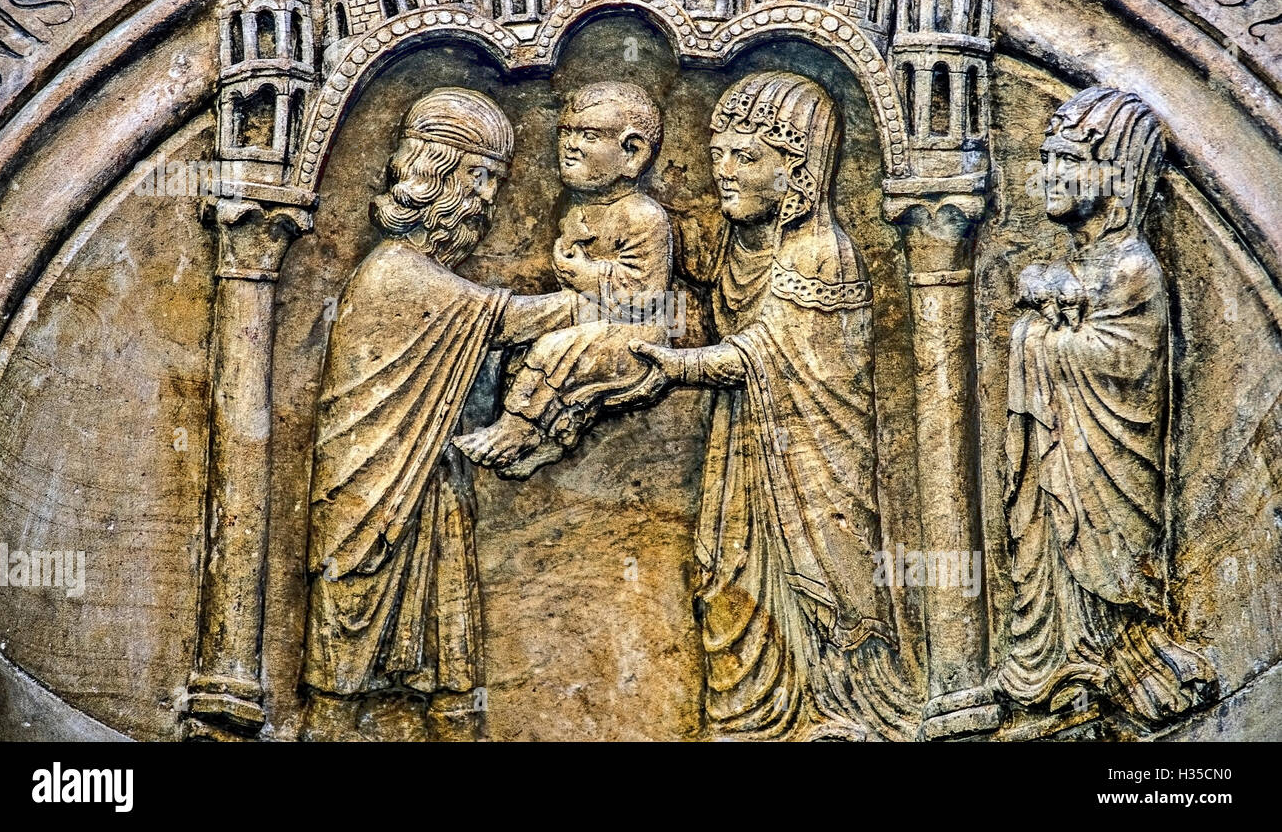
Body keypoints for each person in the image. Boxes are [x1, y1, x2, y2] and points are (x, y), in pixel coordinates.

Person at [627, 72, 918, 740]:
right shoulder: (745, 244)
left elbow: (758, 350)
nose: (723, 170)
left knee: (798, 591)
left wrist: (678, 366)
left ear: (799, 174)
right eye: (719, 152)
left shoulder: (821, 252)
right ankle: (749, 726)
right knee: (726, 582)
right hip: (743, 449)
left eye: (747, 158)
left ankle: (833, 714)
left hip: (809, 469)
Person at [301, 88, 581, 741]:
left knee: (452, 665)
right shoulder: (398, 272)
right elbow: (508, 318)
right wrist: (608, 301)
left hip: (433, 489)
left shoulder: (426, 277)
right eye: (479, 179)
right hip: (372, 504)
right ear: (435, 175)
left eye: (494, 183)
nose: (487, 199)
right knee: (346, 666)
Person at [995, 87, 1216, 724]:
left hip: (1105, 470)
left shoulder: (1131, 268)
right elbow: (1063, 305)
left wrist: (1036, 332)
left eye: (1067, 160)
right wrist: (1040, 293)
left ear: (1114, 176)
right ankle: (1051, 666)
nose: (1048, 175)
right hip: (1058, 457)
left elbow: (1120, 364)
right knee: (1045, 557)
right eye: (1044, 158)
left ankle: (1105, 658)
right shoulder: (1086, 261)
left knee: (1094, 571)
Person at [455, 81, 673, 478]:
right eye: (565, 132)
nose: (570, 145)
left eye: (588, 135)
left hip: (640, 336)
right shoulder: (579, 210)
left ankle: (513, 429)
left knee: (554, 349)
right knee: (526, 348)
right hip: (597, 321)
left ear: (632, 153)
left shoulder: (643, 216)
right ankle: (539, 446)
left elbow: (646, 294)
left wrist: (588, 275)